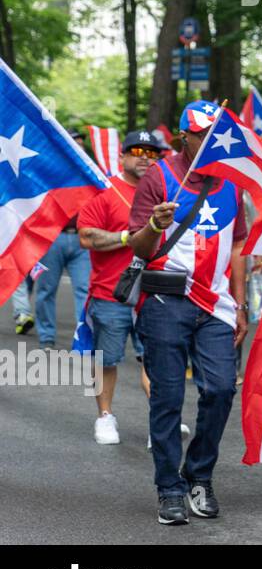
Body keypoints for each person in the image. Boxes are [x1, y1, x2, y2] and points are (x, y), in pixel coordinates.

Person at [127, 101, 249, 527]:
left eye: (218, 133)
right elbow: (139, 248)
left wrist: (241, 302)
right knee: (169, 397)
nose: (212, 141)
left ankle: (199, 475)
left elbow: (237, 246)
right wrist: (155, 226)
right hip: (165, 302)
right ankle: (169, 488)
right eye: (203, 134)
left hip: (215, 305)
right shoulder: (158, 176)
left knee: (219, 390)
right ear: (185, 137)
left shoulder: (233, 182)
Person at [77, 130, 164, 445]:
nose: (145, 157)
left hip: (153, 292)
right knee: (106, 359)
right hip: (110, 292)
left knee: (154, 358)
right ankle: (104, 417)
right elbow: (86, 236)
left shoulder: (164, 191)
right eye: (138, 151)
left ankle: (161, 421)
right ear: (123, 156)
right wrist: (129, 237)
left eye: (152, 153)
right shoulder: (105, 192)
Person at [35, 127, 92, 347]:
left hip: (82, 239)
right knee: (46, 289)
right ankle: (47, 336)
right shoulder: (49, 170)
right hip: (52, 237)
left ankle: (83, 336)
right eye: (74, 141)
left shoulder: (89, 170)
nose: (78, 145)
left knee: (84, 290)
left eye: (81, 142)